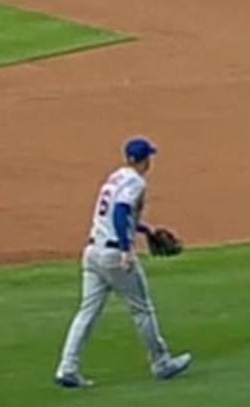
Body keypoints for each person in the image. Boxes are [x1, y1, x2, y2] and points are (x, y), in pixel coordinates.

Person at [55, 137, 194, 387]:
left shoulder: (115, 177)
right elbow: (120, 211)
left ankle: (67, 367)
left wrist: (143, 229)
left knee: (87, 311)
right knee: (141, 309)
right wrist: (126, 249)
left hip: (93, 252)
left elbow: (114, 215)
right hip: (113, 256)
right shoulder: (136, 183)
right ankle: (161, 362)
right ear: (145, 160)